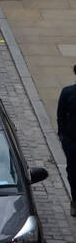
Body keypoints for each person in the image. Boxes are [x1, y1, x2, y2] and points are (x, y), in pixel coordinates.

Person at [56, 65, 76, 215]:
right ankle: (75, 200)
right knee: (73, 172)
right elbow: (61, 116)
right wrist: (63, 136)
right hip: (72, 141)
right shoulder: (68, 93)